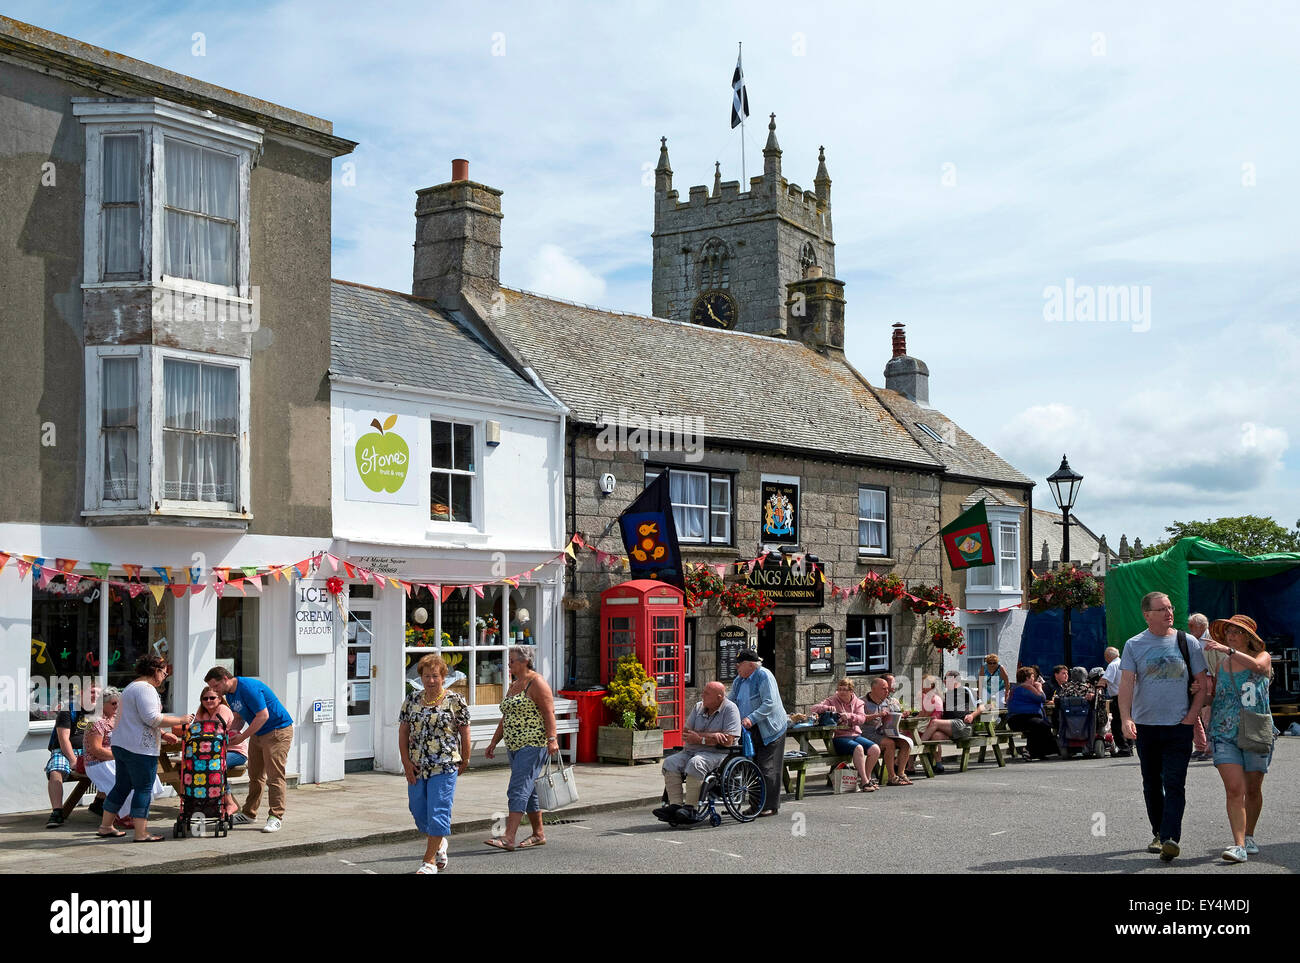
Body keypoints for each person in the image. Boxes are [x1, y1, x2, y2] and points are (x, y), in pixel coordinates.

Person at [1118, 591, 1209, 862]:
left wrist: (1192, 716)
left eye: (1170, 608)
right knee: (1151, 783)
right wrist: (1125, 718)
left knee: (1175, 782)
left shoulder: (1187, 641)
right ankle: (1158, 832)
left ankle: (1171, 837)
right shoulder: (1134, 645)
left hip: (1178, 724)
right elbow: (1126, 685)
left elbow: (1202, 683)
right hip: (1146, 725)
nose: (1169, 613)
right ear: (1147, 615)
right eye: (1162, 609)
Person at [95, 656, 193, 841]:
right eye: (164, 672)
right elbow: (152, 718)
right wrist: (181, 720)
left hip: (121, 744)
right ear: (155, 670)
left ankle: (106, 826)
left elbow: (138, 717)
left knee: (122, 786)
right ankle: (141, 833)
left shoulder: (132, 687)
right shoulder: (145, 689)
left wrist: (163, 734)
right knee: (143, 788)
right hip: (139, 748)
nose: (164, 677)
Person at [1203, 615, 1273, 863]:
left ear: (1249, 637)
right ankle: (1239, 845)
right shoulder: (1222, 665)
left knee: (1253, 789)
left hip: (1254, 730)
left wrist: (1228, 650)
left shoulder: (1263, 657)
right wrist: (1199, 695)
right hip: (1223, 732)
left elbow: (1260, 669)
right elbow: (1217, 697)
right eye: (1229, 631)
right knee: (1235, 789)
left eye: (1237, 632)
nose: (1231, 635)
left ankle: (1250, 835)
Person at [400, 654, 470, 873]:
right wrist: (405, 763)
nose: (431, 680)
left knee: (438, 810)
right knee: (417, 809)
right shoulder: (412, 699)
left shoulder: (455, 700)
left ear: (443, 677)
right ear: (421, 677)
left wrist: (465, 758)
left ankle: (429, 861)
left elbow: (464, 731)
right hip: (417, 765)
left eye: (435, 676)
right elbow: (403, 732)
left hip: (445, 764)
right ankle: (439, 842)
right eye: (427, 676)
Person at [484, 645, 559, 850]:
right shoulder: (515, 684)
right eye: (508, 661)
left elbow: (549, 713)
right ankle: (538, 834)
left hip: (533, 744)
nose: (508, 664)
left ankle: (509, 837)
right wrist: (493, 742)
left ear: (525, 661)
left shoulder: (537, 682)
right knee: (529, 790)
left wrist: (552, 739)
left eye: (512, 661)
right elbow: (506, 717)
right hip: (514, 745)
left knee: (517, 788)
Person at [203, 666, 294, 833]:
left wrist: (243, 736)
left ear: (225, 678)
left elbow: (263, 715)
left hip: (277, 731)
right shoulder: (229, 694)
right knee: (255, 775)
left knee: (274, 776)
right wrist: (230, 732)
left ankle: (276, 817)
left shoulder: (248, 687)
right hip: (259, 732)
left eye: (216, 686)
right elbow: (239, 716)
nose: (215, 691)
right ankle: (249, 814)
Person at [655, 681, 743, 821]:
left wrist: (699, 737)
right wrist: (713, 736)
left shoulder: (731, 709)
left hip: (717, 754)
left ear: (719, 697)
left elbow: (728, 741)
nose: (702, 695)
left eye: (707, 694)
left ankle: (691, 808)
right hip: (691, 750)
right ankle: (675, 806)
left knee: (696, 763)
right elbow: (685, 733)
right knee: (670, 762)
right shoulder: (698, 707)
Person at [83, 686, 168, 830]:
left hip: (118, 759)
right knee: (125, 784)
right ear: (102, 705)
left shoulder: (119, 719)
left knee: (144, 777)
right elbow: (96, 750)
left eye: (119, 703)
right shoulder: (95, 722)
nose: (117, 706)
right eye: (113, 703)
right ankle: (122, 816)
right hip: (99, 763)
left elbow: (145, 723)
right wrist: (121, 755)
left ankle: (130, 813)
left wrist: (164, 734)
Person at [729, 649, 787, 815]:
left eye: (739, 664)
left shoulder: (764, 676)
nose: (736, 667)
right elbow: (731, 701)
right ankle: (756, 805)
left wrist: (751, 718)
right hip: (749, 728)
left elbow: (770, 703)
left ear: (750, 665)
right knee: (752, 765)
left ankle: (769, 806)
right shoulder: (739, 680)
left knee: (767, 767)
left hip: (770, 728)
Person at [44, 679, 101, 828]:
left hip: (89, 749)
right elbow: (63, 740)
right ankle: (57, 811)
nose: (96, 696)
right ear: (82, 693)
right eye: (93, 691)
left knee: (112, 764)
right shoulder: (68, 709)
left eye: (99, 693)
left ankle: (99, 803)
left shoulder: (100, 711)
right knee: (56, 770)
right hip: (64, 750)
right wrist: (73, 760)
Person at [809, 678, 880, 792]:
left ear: (851, 691)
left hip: (855, 735)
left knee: (875, 749)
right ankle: (865, 781)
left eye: (845, 690)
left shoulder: (858, 702)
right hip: (839, 737)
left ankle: (866, 778)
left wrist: (850, 716)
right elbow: (813, 708)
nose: (841, 692)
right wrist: (826, 708)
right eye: (839, 689)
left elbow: (862, 719)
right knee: (858, 748)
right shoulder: (832, 700)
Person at [194, 685, 250, 823]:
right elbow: (194, 731)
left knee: (216, 765)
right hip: (213, 753)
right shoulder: (202, 713)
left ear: (219, 699)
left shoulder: (223, 710)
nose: (208, 700)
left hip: (235, 751)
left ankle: (230, 803)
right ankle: (208, 803)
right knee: (195, 766)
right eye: (205, 698)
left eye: (212, 697)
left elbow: (215, 733)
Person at [920, 669, 985, 773]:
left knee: (934, 723)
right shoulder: (947, 694)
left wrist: (972, 715)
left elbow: (982, 707)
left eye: (946, 678)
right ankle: (938, 765)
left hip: (962, 725)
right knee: (935, 736)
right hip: (950, 728)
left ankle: (918, 748)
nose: (944, 681)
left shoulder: (966, 690)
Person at [863, 676, 912, 784]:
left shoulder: (887, 702)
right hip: (868, 734)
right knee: (889, 744)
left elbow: (895, 713)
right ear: (873, 689)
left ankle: (901, 773)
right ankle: (891, 776)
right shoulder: (863, 702)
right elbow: (860, 718)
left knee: (906, 742)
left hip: (884, 732)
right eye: (884, 689)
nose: (887, 691)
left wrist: (902, 714)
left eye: (887, 688)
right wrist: (877, 715)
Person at [1006, 667, 1057, 760]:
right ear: (1027, 678)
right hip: (1021, 718)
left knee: (1039, 726)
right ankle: (1029, 750)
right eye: (1033, 676)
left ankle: (1038, 752)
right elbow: (1041, 698)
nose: (1034, 679)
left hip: (1016, 720)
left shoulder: (1016, 687)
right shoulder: (1027, 687)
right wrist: (1039, 687)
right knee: (1042, 725)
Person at [1187, 614, 1214, 761]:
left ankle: (1209, 749)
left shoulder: (1211, 638)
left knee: (1207, 715)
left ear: (1200, 626)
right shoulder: (1194, 640)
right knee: (1193, 714)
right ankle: (1201, 746)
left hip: (1209, 678)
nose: (1189, 629)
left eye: (1191, 626)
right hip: (1196, 679)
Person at [1101, 646, 1131, 757]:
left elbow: (1105, 680)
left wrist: (1098, 687)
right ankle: (1129, 746)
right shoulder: (1125, 664)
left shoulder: (1112, 665)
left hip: (1118, 697)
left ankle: (1123, 748)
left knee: (1116, 724)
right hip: (1129, 696)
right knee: (1127, 721)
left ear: (1108, 656)